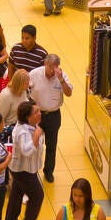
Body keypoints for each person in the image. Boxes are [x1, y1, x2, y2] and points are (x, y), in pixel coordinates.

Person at [4, 100, 46, 220]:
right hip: (23, 170)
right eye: (36, 112)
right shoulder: (23, 132)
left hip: (23, 168)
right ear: (28, 117)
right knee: (37, 195)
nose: (40, 114)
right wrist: (36, 136)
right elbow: (27, 151)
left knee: (17, 191)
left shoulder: (32, 125)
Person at [28, 53, 72, 183]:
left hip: (53, 115)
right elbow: (25, 86)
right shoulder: (35, 74)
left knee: (51, 146)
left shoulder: (62, 76)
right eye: (49, 67)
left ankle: (48, 172)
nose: (52, 70)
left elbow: (69, 93)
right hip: (37, 115)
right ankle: (32, 171)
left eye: (55, 67)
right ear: (45, 64)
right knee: (34, 144)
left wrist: (62, 80)